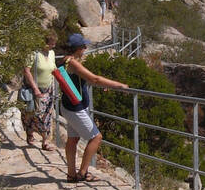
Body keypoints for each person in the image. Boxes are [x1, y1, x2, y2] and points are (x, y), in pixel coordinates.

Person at [57, 33, 129, 182]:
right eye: (83, 46)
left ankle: (71, 174)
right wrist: (119, 85)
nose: (85, 48)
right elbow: (94, 78)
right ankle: (82, 173)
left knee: (73, 138)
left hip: (68, 105)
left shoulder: (64, 60)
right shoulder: (73, 63)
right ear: (78, 48)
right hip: (75, 108)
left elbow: (80, 81)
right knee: (96, 137)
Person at [22, 31, 58, 151]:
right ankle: (30, 132)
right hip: (35, 90)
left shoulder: (52, 53)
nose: (53, 46)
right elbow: (26, 71)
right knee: (34, 114)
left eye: (54, 44)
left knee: (46, 116)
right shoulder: (34, 54)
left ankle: (45, 142)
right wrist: (35, 88)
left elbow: (54, 69)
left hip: (49, 89)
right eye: (50, 44)